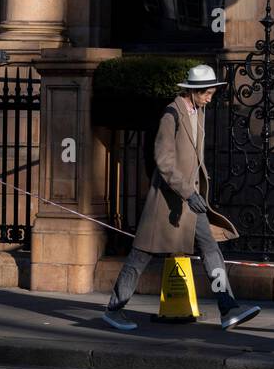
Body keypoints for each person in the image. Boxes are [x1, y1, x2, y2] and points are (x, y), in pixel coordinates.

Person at [103, 65, 261, 332]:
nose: (210, 98)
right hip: (166, 202)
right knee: (140, 255)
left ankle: (228, 307)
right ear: (194, 91)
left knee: (211, 250)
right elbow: (164, 162)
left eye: (212, 93)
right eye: (207, 93)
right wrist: (188, 192)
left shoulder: (198, 112)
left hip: (191, 203)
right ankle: (114, 309)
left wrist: (194, 193)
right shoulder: (171, 114)